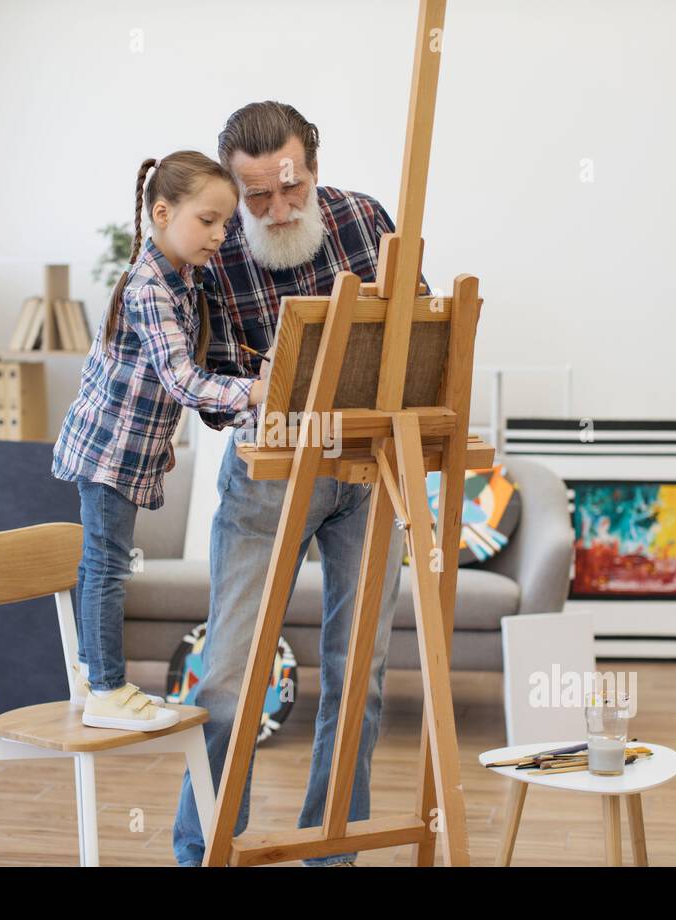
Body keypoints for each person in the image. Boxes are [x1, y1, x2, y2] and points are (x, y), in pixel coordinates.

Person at [173, 102, 422, 865]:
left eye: (292, 188)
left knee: (361, 678)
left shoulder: (366, 220)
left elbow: (421, 331)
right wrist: (255, 391)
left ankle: (332, 853)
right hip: (268, 479)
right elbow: (196, 379)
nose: (278, 210)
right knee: (226, 677)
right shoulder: (211, 251)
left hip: (365, 472)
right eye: (257, 199)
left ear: (312, 168)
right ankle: (202, 852)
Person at [51, 150, 271, 732]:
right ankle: (105, 688)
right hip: (106, 451)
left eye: (226, 224)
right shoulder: (149, 287)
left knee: (106, 562)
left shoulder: (183, 280)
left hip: (130, 452)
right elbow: (181, 378)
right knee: (106, 566)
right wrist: (255, 393)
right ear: (162, 212)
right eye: (208, 221)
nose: (220, 236)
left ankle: (88, 671)